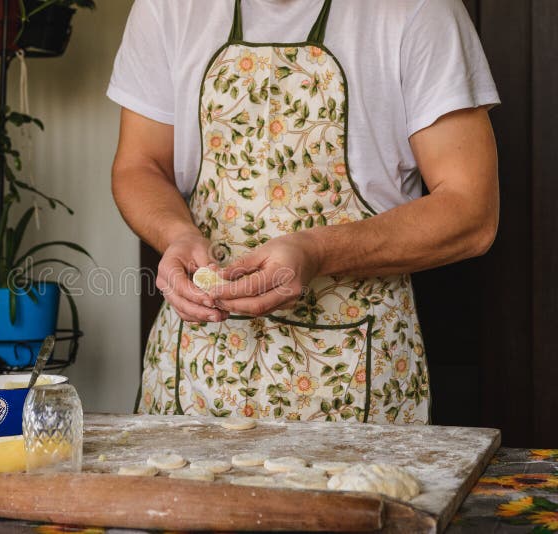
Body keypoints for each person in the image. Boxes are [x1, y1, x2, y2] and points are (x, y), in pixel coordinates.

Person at [107, 0, 499, 424]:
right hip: (198, 372)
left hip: (356, 381)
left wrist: (317, 251)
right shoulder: (167, 8)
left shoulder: (419, 10)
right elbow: (140, 165)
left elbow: (471, 212)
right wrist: (176, 235)